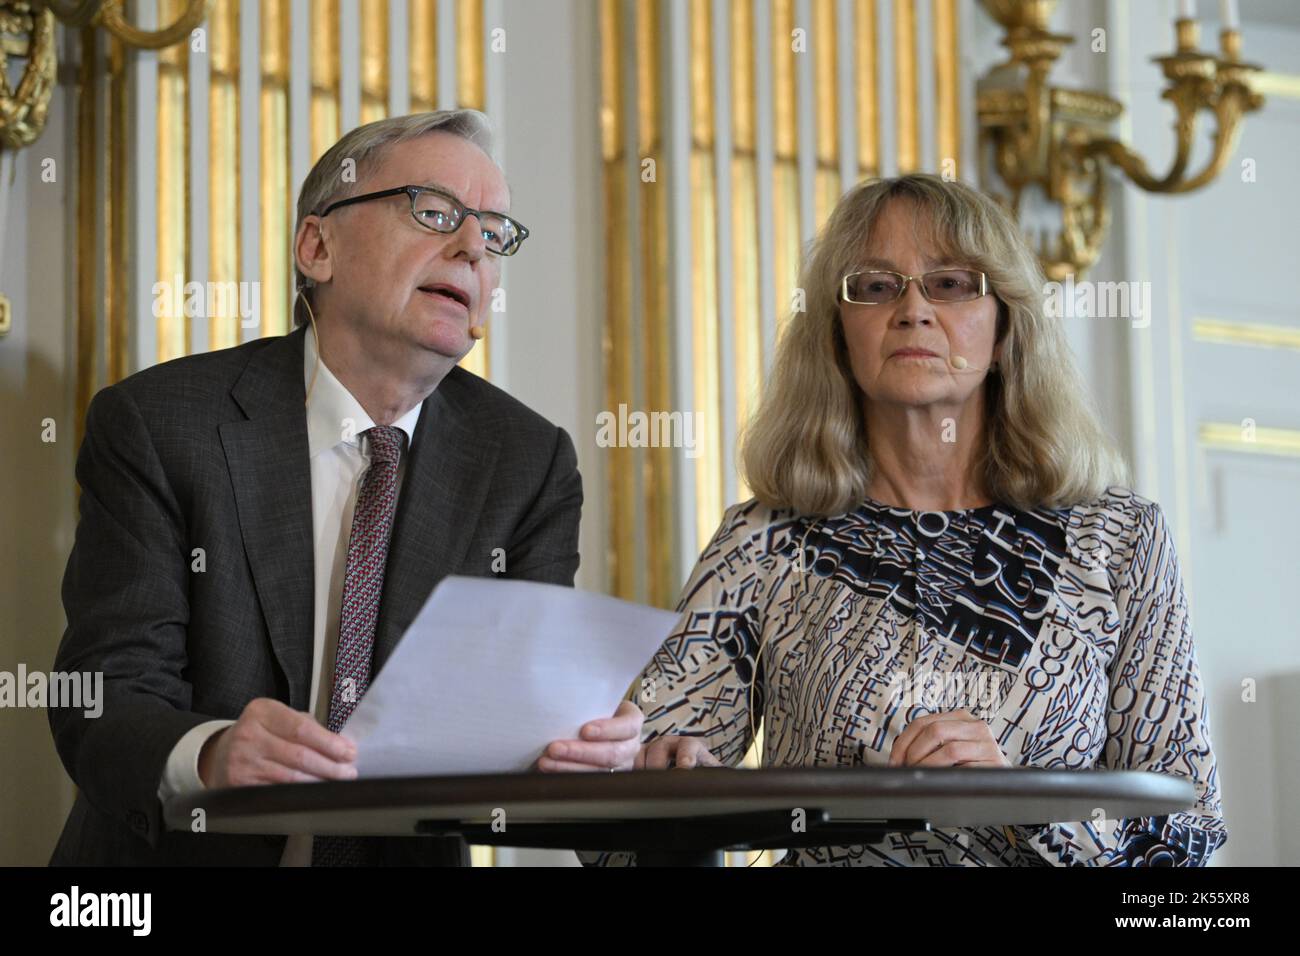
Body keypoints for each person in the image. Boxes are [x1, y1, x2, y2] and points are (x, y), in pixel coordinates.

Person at [575, 173, 1227, 866]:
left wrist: (1021, 803)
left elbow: (1188, 835)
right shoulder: (763, 540)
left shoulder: (1120, 538)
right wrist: (663, 775)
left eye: (950, 284)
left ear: (1005, 331)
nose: (913, 310)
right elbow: (619, 821)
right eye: (876, 286)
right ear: (838, 335)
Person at [47, 109, 638, 865]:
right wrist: (211, 753)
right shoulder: (162, 425)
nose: (472, 249)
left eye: (494, 234)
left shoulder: (527, 462)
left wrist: (590, 751)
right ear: (317, 247)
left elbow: (515, 725)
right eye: (434, 211)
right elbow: (103, 691)